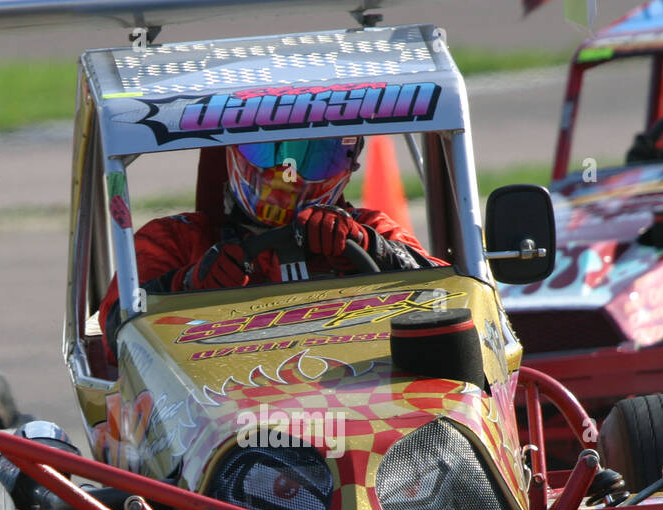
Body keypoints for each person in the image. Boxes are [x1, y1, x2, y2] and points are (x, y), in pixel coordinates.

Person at [97, 136, 444, 362]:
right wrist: (186, 287)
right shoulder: (176, 239)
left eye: (313, 157)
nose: (284, 175)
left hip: (357, 397)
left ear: (349, 165)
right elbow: (116, 335)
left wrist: (372, 248)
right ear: (231, 151)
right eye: (267, 151)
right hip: (217, 414)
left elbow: (447, 297)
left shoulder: (369, 228)